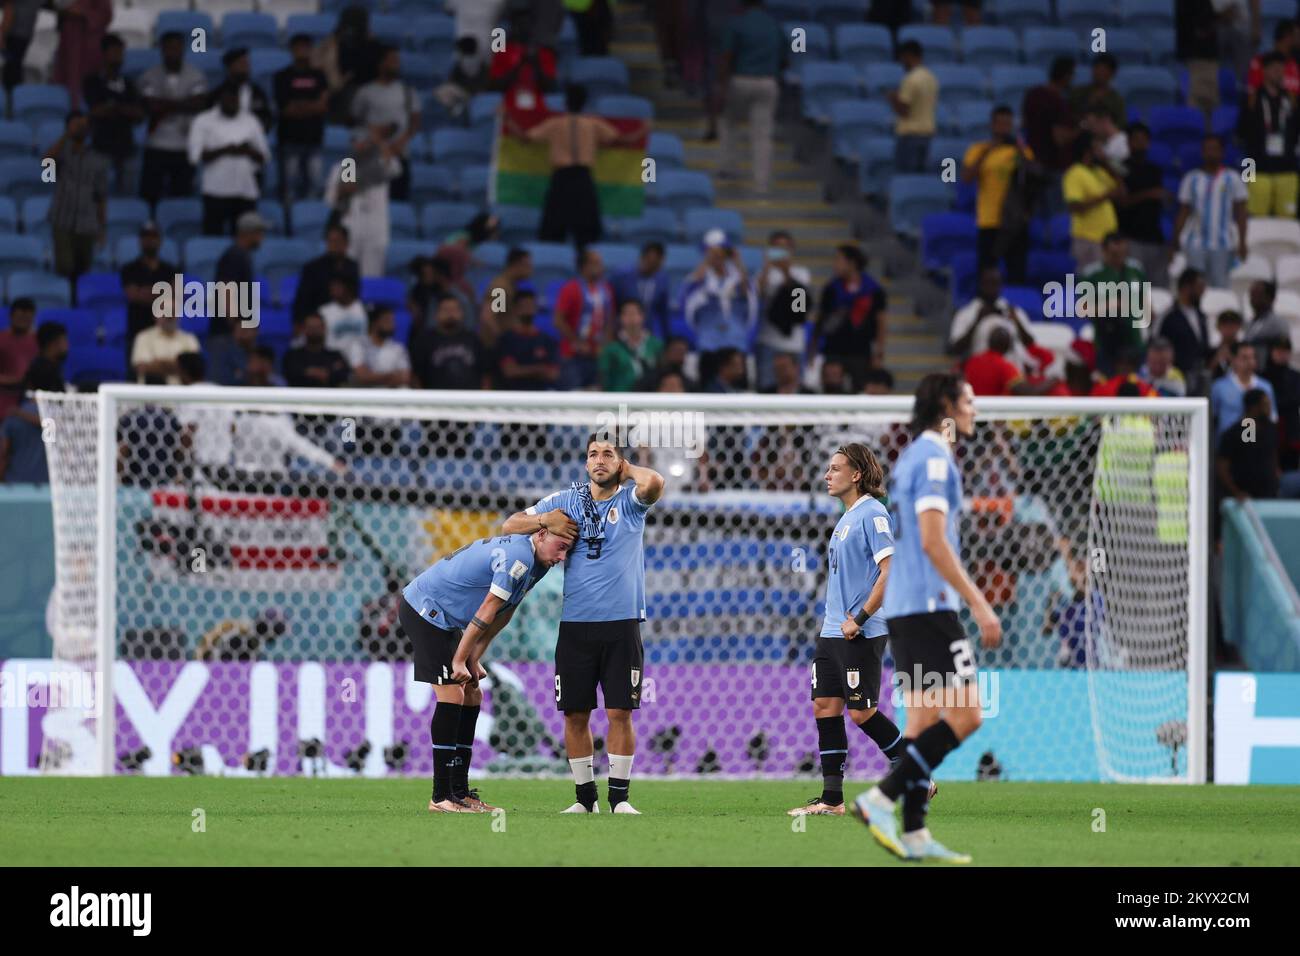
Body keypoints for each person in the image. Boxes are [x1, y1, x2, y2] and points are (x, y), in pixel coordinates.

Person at [851, 373, 1002, 863]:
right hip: (932, 607)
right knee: (968, 716)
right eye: (970, 400)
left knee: (918, 726)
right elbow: (934, 540)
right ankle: (880, 799)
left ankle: (914, 832)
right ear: (946, 405)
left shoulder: (911, 455)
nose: (974, 410)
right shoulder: (936, 456)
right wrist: (978, 603)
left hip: (903, 609)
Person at [500, 436, 666, 814]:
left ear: (621, 463)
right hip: (575, 624)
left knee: (619, 712)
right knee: (575, 713)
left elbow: (654, 483)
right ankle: (584, 800)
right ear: (584, 462)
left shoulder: (630, 502)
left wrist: (628, 471)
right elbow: (511, 525)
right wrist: (545, 519)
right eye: (593, 454)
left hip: (622, 623)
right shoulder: (565, 500)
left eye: (608, 454)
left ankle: (619, 800)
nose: (599, 460)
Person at [400, 525, 570, 812]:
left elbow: (504, 612)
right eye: (561, 546)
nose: (562, 556)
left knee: (473, 693)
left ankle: (460, 791)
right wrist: (459, 660)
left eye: (568, 550)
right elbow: (488, 607)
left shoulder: (538, 563)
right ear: (541, 535)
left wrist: (473, 657)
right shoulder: (519, 557)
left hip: (447, 619)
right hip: (425, 611)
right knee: (452, 693)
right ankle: (441, 795)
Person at [789, 443, 909, 817]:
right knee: (824, 705)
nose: (827, 475)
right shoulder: (846, 518)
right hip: (832, 629)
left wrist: (858, 618)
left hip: (861, 629)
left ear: (856, 474)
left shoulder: (873, 515)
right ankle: (831, 799)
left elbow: (890, 572)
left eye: (835, 468)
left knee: (861, 712)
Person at [517, 84, 622, 248]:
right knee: (587, 231)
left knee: (553, 228)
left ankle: (554, 258)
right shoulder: (593, 123)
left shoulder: (555, 123)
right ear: (584, 103)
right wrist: (642, 131)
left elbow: (526, 138)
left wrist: (508, 120)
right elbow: (616, 138)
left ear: (566, 102)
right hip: (582, 178)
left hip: (562, 178)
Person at [716, 0, 784, 195]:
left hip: (741, 79)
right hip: (768, 81)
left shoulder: (737, 23)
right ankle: (761, 183)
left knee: (729, 122)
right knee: (762, 134)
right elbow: (785, 56)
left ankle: (728, 167)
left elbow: (726, 56)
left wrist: (721, 85)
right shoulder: (774, 25)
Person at [137, 31, 210, 209]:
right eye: (169, 48)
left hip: (185, 145)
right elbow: (151, 106)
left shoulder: (196, 75)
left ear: (183, 50)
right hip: (156, 144)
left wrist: (166, 104)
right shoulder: (149, 76)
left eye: (176, 48)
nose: (173, 52)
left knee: (181, 197)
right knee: (150, 197)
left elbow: (199, 104)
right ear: (162, 50)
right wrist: (183, 102)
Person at [962, 105, 1033, 283]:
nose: (1004, 128)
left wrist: (1020, 149)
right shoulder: (978, 149)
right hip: (989, 220)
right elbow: (967, 177)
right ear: (992, 125)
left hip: (1015, 221)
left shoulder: (1020, 151)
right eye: (1000, 123)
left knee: (1017, 274)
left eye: (1008, 124)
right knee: (986, 273)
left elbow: (1033, 175)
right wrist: (987, 153)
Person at [189, 83, 270, 237]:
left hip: (245, 191)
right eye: (229, 99)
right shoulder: (203, 121)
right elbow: (196, 156)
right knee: (213, 238)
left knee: (246, 239)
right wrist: (226, 150)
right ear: (221, 100)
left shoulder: (251, 121)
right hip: (215, 191)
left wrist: (246, 150)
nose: (234, 103)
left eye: (236, 99)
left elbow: (264, 157)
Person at [1171, 135, 1249, 290]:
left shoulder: (1232, 178)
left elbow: (1241, 213)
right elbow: (1183, 212)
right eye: (1207, 149)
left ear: (1222, 152)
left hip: (1222, 243)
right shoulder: (1191, 178)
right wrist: (1174, 240)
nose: (1211, 153)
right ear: (1202, 152)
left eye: (1215, 149)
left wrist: (1242, 242)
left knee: (1219, 286)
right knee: (1195, 286)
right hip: (1195, 243)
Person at [45, 111, 107, 301]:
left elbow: (101, 196)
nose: (80, 128)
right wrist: (67, 135)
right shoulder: (61, 152)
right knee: (65, 266)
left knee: (83, 267)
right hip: (62, 219)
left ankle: (77, 301)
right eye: (76, 124)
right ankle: (64, 297)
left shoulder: (97, 159)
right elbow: (46, 169)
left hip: (87, 221)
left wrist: (102, 227)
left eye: (83, 125)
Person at [682, 229, 757, 377]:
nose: (718, 256)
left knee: (738, 393)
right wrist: (707, 261)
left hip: (735, 344)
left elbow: (748, 292)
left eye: (721, 252)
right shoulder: (699, 278)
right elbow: (688, 293)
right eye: (713, 252)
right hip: (709, 345)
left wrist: (737, 261)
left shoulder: (738, 277)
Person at [350, 45, 421, 202]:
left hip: (399, 154)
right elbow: (357, 122)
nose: (396, 65)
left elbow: (414, 122)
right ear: (381, 63)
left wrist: (400, 143)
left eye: (397, 61)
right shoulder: (366, 92)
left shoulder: (407, 92)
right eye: (392, 61)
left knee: (398, 200)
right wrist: (377, 141)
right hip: (372, 157)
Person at [324, 125, 396, 278]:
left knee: (372, 276)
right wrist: (344, 189)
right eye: (357, 141)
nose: (362, 145)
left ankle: (369, 303)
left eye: (366, 141)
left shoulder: (380, 164)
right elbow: (331, 201)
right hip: (350, 227)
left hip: (375, 229)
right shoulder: (343, 166)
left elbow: (392, 166)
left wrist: (380, 141)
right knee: (348, 274)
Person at [1075, 232, 1147, 376]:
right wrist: (1111, 306)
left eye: (1123, 254)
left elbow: (1144, 302)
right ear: (1104, 252)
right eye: (1115, 254)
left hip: (1133, 339)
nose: (1120, 259)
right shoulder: (1092, 275)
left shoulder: (1135, 270)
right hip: (1106, 341)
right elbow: (1082, 309)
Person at [1237, 52, 1299, 219]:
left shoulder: (1292, 99)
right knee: (1255, 216)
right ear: (1264, 71)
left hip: (1287, 167)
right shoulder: (1251, 99)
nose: (1279, 73)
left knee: (1288, 217)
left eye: (1282, 69)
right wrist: (1247, 174)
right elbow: (1241, 133)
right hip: (1255, 167)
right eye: (1275, 69)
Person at [816, 243, 886, 390]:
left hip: (860, 351)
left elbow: (881, 323)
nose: (835, 265)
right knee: (832, 390)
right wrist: (813, 348)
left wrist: (879, 353)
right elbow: (821, 319)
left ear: (852, 263)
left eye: (838, 260)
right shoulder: (831, 289)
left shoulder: (873, 290)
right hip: (833, 350)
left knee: (860, 389)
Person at [82, 33, 144, 194]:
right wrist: (123, 109)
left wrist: (114, 107)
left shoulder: (129, 84)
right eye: (114, 51)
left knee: (128, 197)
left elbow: (138, 114)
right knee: (95, 196)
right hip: (101, 146)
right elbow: (97, 111)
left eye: (121, 52)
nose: (118, 56)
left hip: (127, 147)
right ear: (104, 54)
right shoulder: (92, 82)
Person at [274, 34, 330, 206]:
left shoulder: (320, 76)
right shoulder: (282, 76)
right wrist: (311, 106)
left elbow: (323, 106)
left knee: (316, 184)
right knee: (289, 188)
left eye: (306, 47)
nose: (303, 51)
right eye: (299, 47)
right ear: (291, 50)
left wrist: (300, 105)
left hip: (314, 139)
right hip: (289, 139)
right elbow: (286, 109)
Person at [755, 230, 813, 390]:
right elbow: (757, 298)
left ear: (792, 250)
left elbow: (799, 307)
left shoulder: (802, 274)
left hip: (794, 344)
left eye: (785, 248)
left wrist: (786, 273)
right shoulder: (762, 274)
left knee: (794, 390)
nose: (781, 253)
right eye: (777, 248)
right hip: (768, 341)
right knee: (767, 389)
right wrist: (767, 267)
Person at [1021, 56, 1077, 214]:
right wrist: (1081, 129)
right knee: (1055, 215)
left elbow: (1024, 125)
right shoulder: (1058, 101)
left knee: (1034, 213)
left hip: (1032, 164)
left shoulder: (1033, 94)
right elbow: (1059, 138)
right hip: (1053, 166)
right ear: (1066, 76)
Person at [1116, 122, 1169, 286]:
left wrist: (1165, 198)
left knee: (1159, 288)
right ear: (1129, 143)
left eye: (1143, 140)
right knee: (1134, 286)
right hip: (1131, 237)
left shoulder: (1155, 170)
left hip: (1155, 238)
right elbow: (1122, 202)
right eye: (1136, 139)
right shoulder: (1119, 168)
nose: (1140, 143)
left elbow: (1162, 200)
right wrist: (1148, 194)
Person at [554, 247, 615, 388]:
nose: (601, 267)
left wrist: (605, 346)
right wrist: (576, 342)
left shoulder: (606, 290)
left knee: (596, 398)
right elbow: (558, 320)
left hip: (597, 355)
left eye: (600, 263)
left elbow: (610, 321)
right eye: (596, 263)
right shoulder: (570, 289)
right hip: (572, 355)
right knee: (574, 399)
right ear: (584, 266)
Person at [1062, 132, 1124, 270]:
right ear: (1088, 150)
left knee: (1107, 283)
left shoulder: (1099, 172)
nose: (1101, 151)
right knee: (1089, 283)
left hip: (1107, 239)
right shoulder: (1074, 173)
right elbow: (1075, 206)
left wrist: (1109, 165)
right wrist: (1104, 196)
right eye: (1098, 148)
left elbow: (1121, 191)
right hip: (1088, 238)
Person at [314, 3, 382, 124]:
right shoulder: (331, 44)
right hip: (336, 94)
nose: (351, 31)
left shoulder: (374, 47)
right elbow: (316, 64)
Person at [410, 295, 489, 390]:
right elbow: (415, 377)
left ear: (462, 313)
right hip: (435, 400)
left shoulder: (474, 340)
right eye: (446, 310)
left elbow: (486, 375)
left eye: (454, 310)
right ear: (436, 314)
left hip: (470, 399)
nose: (451, 314)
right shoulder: (424, 341)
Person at [1216, 388, 1281, 501]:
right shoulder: (1233, 434)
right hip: (1243, 499)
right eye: (1265, 404)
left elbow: (1273, 454)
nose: (1270, 408)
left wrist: (1276, 473)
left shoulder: (1270, 428)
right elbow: (1222, 467)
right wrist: (1236, 492)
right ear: (1254, 407)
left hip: (1269, 496)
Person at [211, 211, 267, 340]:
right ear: (248, 233)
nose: (262, 237)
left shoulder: (242, 255)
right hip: (228, 334)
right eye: (259, 233)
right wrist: (235, 323)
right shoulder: (234, 256)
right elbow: (225, 290)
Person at [292, 223, 361, 326]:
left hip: (345, 320)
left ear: (346, 243)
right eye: (330, 241)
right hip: (318, 320)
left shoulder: (352, 267)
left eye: (337, 241)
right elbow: (302, 303)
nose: (334, 245)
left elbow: (355, 297)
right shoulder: (313, 268)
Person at [1154, 267, 1211, 390]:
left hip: (1198, 377)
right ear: (1186, 287)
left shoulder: (1201, 316)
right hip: (1176, 377)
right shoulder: (1168, 317)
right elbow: (1158, 345)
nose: (1203, 291)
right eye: (1199, 287)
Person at [889, 39, 939, 174]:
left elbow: (904, 111)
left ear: (908, 55)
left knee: (907, 178)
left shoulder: (910, 79)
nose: (902, 62)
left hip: (910, 137)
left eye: (903, 57)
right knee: (920, 179)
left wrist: (893, 99)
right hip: (927, 136)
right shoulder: (931, 78)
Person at [1211, 340, 1277, 439]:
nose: (1250, 362)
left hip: (1257, 444)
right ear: (1233, 360)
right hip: (1228, 446)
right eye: (1244, 358)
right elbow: (1212, 416)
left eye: (1252, 357)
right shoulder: (1219, 387)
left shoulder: (1265, 387)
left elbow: (1272, 417)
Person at [52, 0, 111, 110]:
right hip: (68, 42)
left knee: (90, 85)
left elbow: (105, 14)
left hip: (90, 44)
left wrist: (82, 12)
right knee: (66, 80)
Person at [496, 290, 560, 390]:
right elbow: (510, 371)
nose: (528, 309)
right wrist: (539, 369)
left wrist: (522, 370)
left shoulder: (547, 340)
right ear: (515, 309)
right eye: (524, 306)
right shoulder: (507, 339)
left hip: (540, 397)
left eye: (531, 305)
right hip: (512, 396)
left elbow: (553, 374)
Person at [610, 242, 671, 341]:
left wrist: (668, 337)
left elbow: (663, 312)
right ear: (644, 257)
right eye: (653, 261)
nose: (656, 265)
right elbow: (611, 306)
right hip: (621, 332)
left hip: (646, 333)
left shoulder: (662, 280)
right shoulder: (621, 276)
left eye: (659, 262)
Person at [599, 300, 663, 392]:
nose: (631, 317)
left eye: (634, 313)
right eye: (627, 313)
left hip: (649, 400)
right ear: (621, 318)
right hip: (621, 401)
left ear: (642, 316)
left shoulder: (656, 345)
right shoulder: (610, 349)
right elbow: (604, 380)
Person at [479, 247, 534, 347]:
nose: (531, 270)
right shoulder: (501, 288)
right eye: (528, 265)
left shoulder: (510, 285)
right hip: (495, 349)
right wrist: (501, 340)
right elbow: (488, 316)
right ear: (517, 265)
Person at [130, 309, 201, 386]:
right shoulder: (143, 337)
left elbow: (195, 371)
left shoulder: (190, 339)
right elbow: (142, 368)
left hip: (184, 394)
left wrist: (159, 364)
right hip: (152, 393)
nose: (169, 315)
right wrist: (180, 367)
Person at [346, 306, 411, 388]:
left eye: (392, 321)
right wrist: (390, 376)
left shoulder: (398, 348)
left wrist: (373, 377)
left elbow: (405, 378)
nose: (392, 325)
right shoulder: (358, 345)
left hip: (390, 396)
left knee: (405, 389)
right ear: (374, 323)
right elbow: (362, 377)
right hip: (365, 395)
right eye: (387, 321)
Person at [1177, 0, 1220, 119]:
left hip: (1204, 55)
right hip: (1198, 57)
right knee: (1197, 100)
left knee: (1209, 100)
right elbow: (1201, 26)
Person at [283, 313, 351, 388]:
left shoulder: (335, 355)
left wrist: (309, 372)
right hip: (300, 397)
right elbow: (291, 374)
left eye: (317, 327)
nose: (314, 331)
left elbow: (344, 375)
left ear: (324, 328)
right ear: (304, 329)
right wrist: (321, 372)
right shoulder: (293, 355)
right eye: (311, 327)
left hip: (330, 396)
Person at [214, 48, 273, 132]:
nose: (246, 67)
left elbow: (267, 117)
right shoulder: (218, 94)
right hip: (224, 139)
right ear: (230, 67)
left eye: (247, 63)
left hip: (252, 138)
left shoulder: (257, 92)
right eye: (241, 63)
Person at [0, 297, 38, 419]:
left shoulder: (39, 341)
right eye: (19, 318)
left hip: (31, 394)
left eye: (27, 319)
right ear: (11, 316)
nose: (23, 322)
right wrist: (15, 380)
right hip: (4, 393)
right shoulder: (1, 339)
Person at [1068, 53, 1125, 128]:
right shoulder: (1077, 93)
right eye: (1097, 68)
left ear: (1112, 73)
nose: (1100, 73)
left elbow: (1120, 126)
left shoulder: (1117, 100)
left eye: (1104, 70)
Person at [1246, 19, 1300, 96]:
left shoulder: (1294, 64)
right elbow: (1252, 97)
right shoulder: (1259, 62)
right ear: (1288, 37)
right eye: (1296, 36)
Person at [1, 0, 41, 99]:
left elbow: (8, 9)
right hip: (24, 34)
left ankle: (12, 98)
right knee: (14, 65)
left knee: (12, 67)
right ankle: (15, 97)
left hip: (15, 34)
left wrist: (2, 34)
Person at [318, 275, 368, 353]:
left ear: (347, 287)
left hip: (361, 357)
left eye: (337, 287)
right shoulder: (324, 311)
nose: (333, 290)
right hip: (334, 357)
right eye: (332, 288)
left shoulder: (365, 309)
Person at [1245, 280, 1290, 362]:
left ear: (1270, 298)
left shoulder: (1278, 323)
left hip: (1270, 370)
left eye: (1257, 295)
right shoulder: (1250, 323)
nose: (1252, 299)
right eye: (1251, 295)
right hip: (1251, 368)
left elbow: (1282, 351)